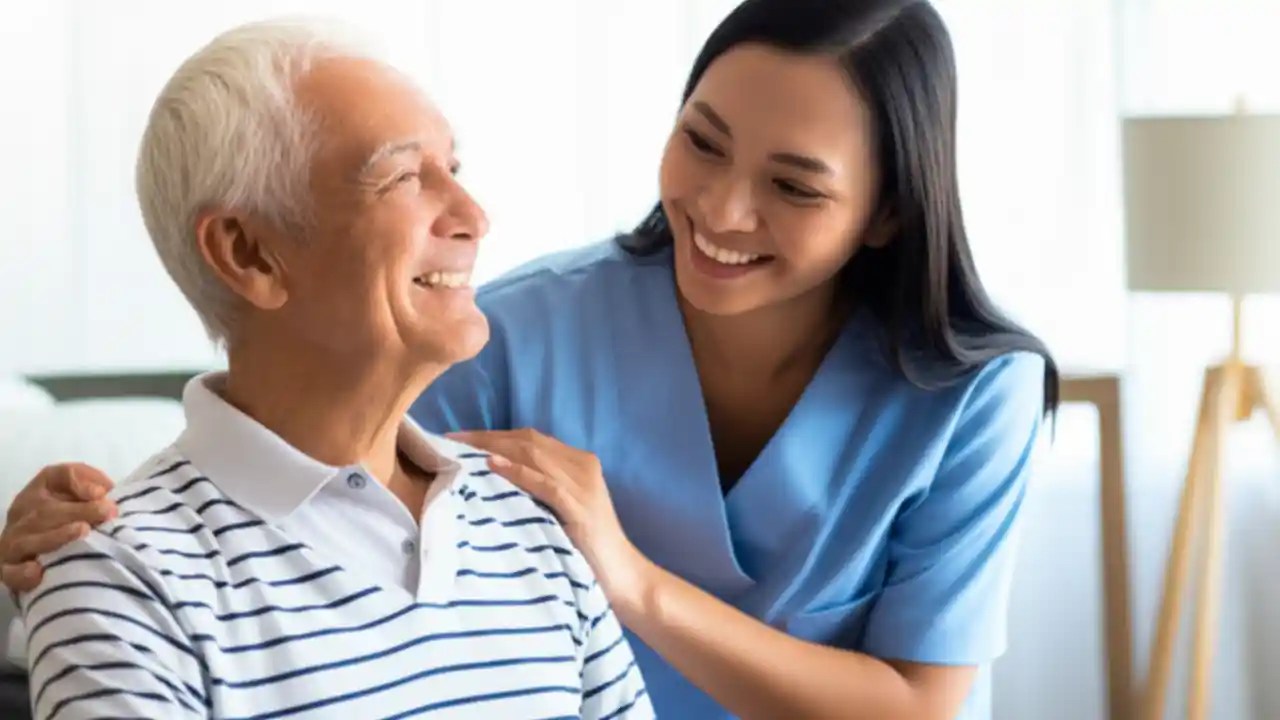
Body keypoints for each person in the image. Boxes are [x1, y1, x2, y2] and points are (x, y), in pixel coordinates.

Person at [3, 1, 1057, 718]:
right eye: (701, 140)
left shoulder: (973, 391)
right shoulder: (510, 332)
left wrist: (630, 581)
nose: (722, 209)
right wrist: (97, 523)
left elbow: (919, 703)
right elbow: (307, 438)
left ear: (885, 215)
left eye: (793, 186)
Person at [9, 18, 651, 720]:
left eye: (453, 170)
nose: (474, 216)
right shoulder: (118, 577)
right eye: (404, 176)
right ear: (249, 252)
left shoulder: (532, 523)